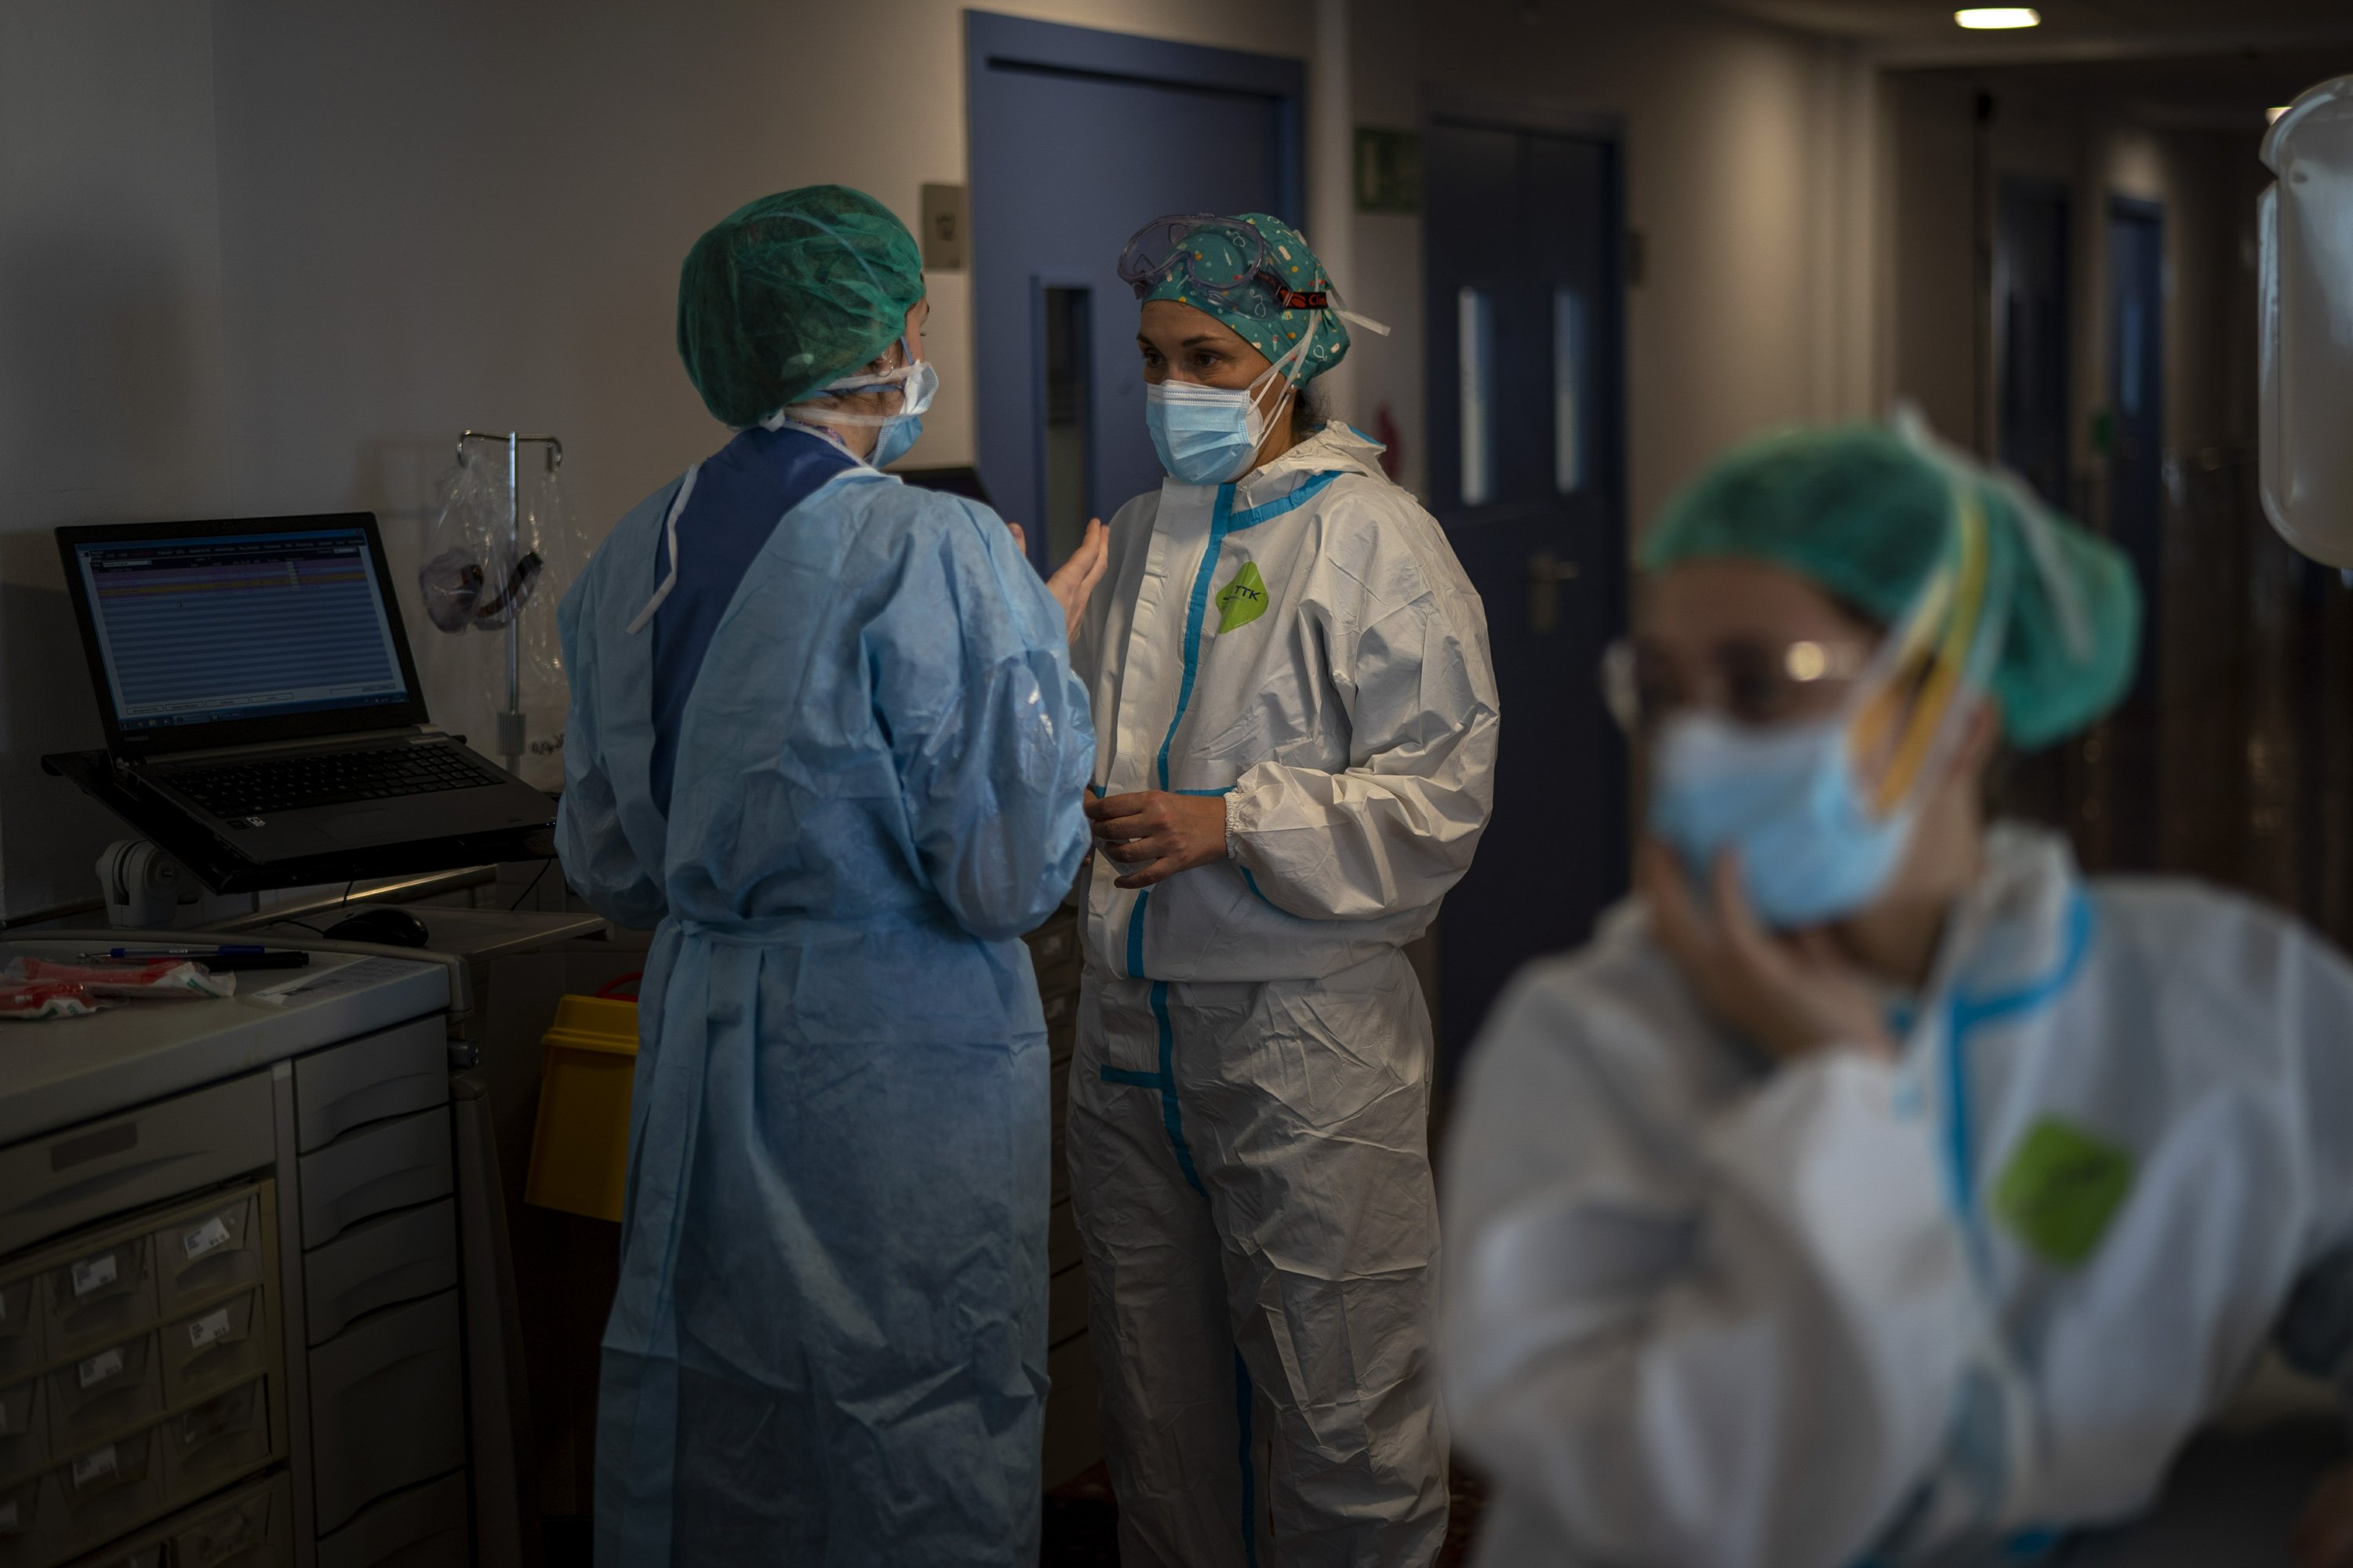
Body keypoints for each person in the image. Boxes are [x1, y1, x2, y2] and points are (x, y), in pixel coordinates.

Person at [1438, 418, 2353, 1567]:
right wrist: (1842, 1098)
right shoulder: (1595, 1041)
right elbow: (1676, 1502)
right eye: (1665, 690)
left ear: (1958, 720)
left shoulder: (2220, 1002)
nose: (1693, 744)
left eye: (1762, 686)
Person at [556, 184, 1107, 1566]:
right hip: (887, 1075)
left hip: (699, 1054)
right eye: (919, 317)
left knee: (721, 1421)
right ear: (887, 341)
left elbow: (611, 865)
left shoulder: (631, 551)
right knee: (905, 1422)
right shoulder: (939, 548)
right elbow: (1003, 873)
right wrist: (1038, 654)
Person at [1066, 211, 1500, 1567]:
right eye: (1152, 360)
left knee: (1343, 1414)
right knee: (1157, 1415)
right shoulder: (1139, 533)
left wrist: (1235, 823)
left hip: (1300, 1042)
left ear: (1289, 357)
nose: (1171, 391)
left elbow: (1439, 805)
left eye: (1206, 358)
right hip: (1129, 1037)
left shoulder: (1378, 541)